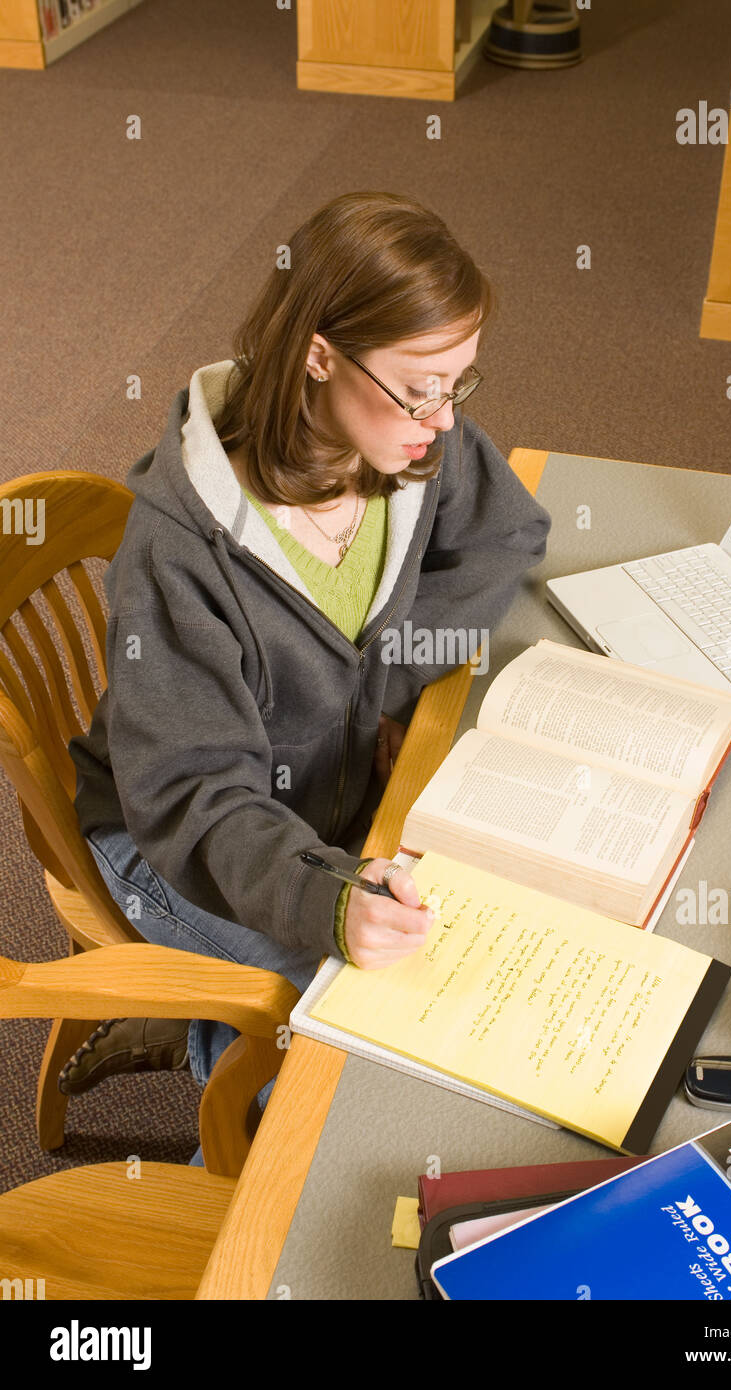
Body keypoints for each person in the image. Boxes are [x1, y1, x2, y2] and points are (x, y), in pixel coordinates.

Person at [65, 190, 551, 1110]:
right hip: (169, 840)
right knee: (359, 1051)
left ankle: (200, 1023)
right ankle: (229, 1076)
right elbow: (196, 798)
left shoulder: (405, 437)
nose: (445, 419)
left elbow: (504, 537)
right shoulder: (179, 552)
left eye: (461, 383)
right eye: (422, 387)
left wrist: (385, 685)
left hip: (325, 809)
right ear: (320, 355)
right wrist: (323, 899)